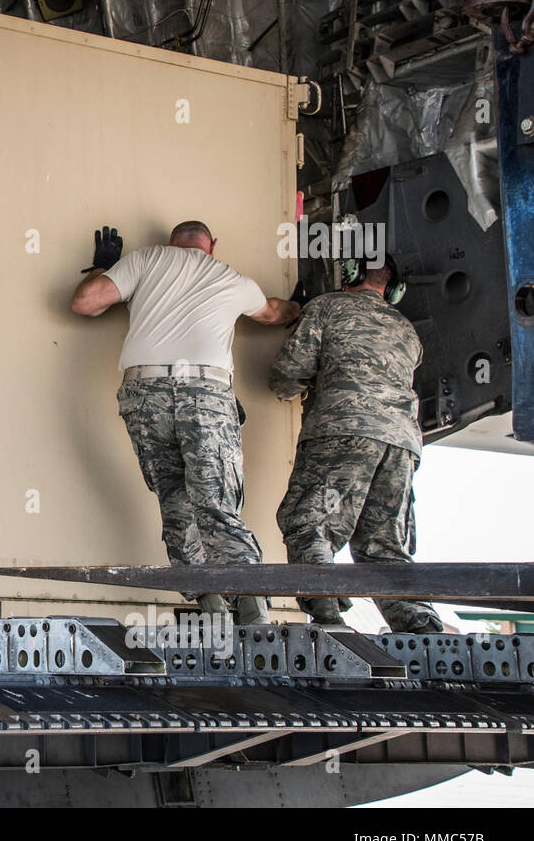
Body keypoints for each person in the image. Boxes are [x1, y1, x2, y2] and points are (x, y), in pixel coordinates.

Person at [70, 221, 299, 625]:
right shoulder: (232, 278)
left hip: (147, 392)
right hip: (204, 394)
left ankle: (209, 607)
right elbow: (272, 314)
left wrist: (104, 268)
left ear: (171, 243)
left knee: (174, 502)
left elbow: (85, 303)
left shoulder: (144, 260)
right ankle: (252, 610)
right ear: (211, 245)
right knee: (215, 501)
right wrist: (303, 306)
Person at [269, 260, 443, 632]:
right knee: (384, 543)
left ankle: (328, 614)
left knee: (309, 522)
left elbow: (287, 372)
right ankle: (419, 624)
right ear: (394, 289)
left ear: (349, 274)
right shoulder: (406, 329)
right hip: (402, 443)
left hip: (343, 428)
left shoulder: (327, 307)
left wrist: (286, 389)